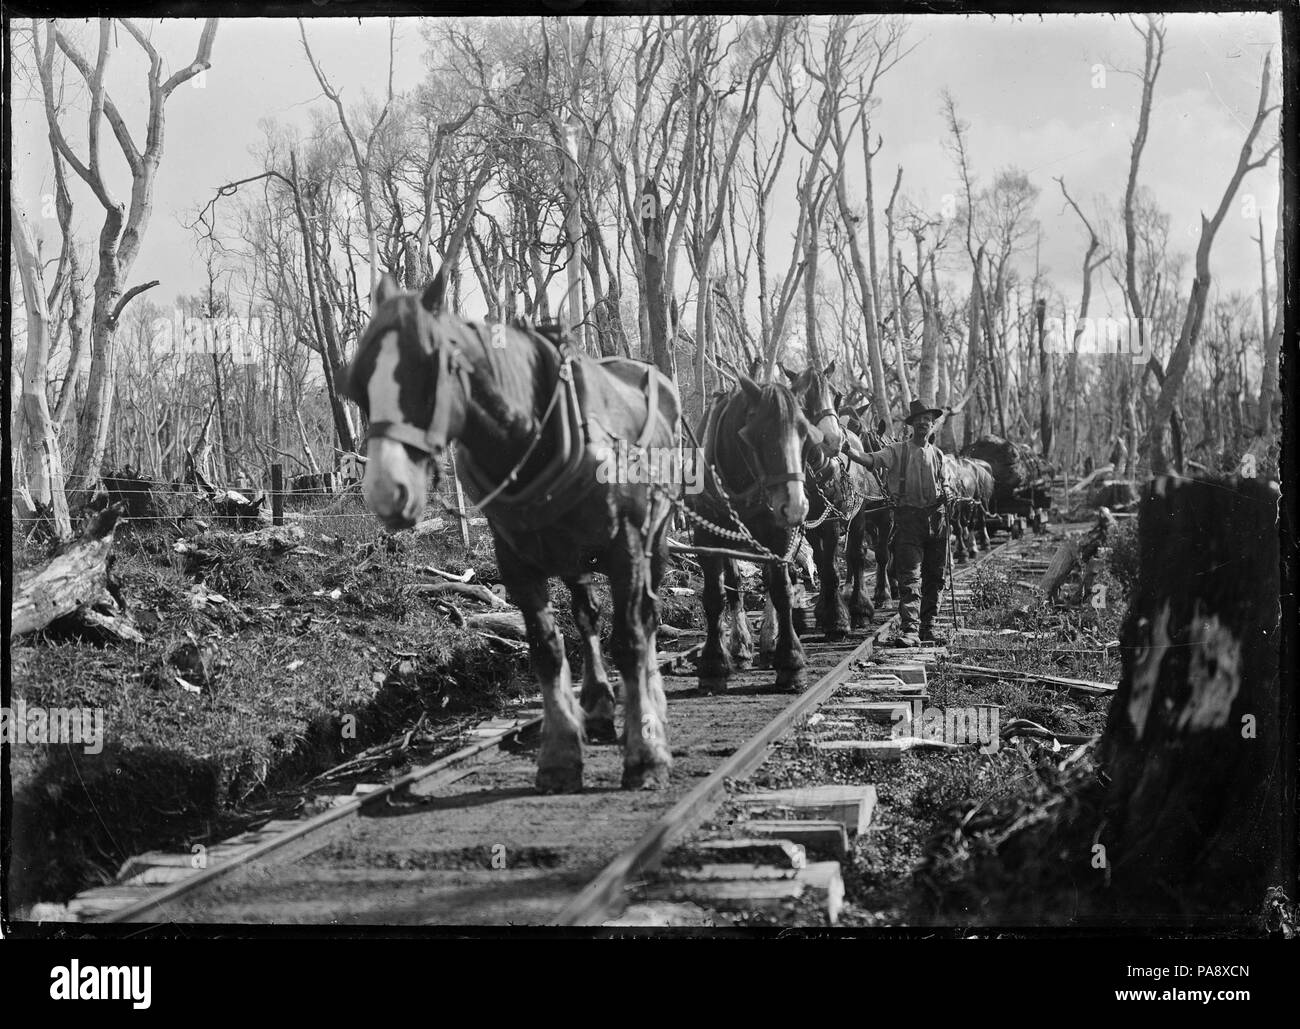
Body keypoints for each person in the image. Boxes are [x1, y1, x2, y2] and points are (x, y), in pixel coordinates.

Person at [847, 398, 952, 647]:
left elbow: (945, 481)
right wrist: (848, 451)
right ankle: (911, 631)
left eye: (928, 421)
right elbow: (871, 460)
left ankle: (929, 627)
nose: (924, 424)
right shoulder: (897, 451)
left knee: (936, 577)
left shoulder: (938, 455)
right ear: (912, 425)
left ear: (933, 425)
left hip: (937, 520)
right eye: (920, 421)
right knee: (910, 577)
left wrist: (948, 491)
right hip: (909, 520)